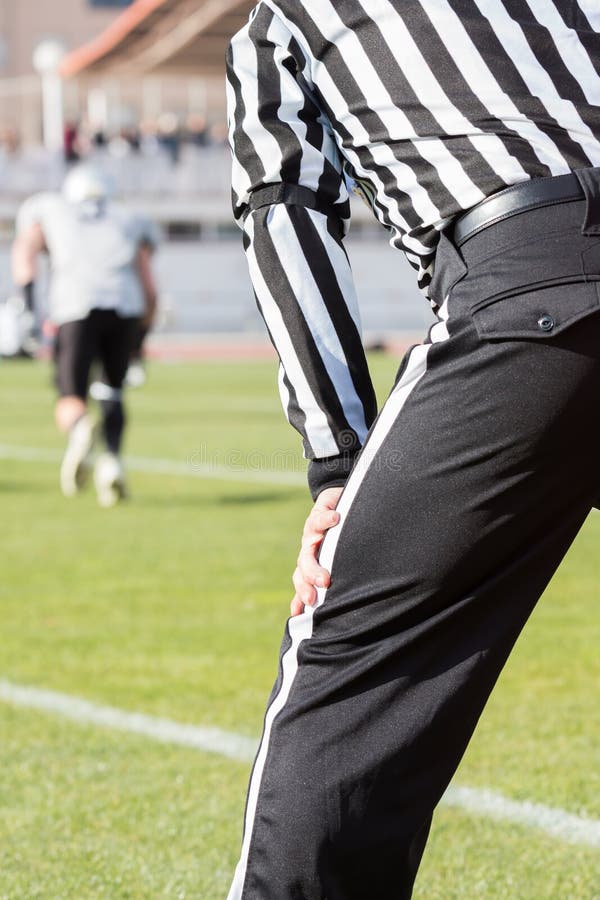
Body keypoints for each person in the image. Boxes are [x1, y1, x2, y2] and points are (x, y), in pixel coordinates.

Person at [225, 2, 600, 898]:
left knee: (351, 677)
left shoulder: (281, 25)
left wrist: (337, 459)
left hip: (533, 289)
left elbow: (286, 213)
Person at [12, 164, 159, 507]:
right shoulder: (129, 217)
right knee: (112, 390)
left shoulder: (48, 207)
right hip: (125, 308)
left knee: (71, 396)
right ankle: (112, 464)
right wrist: (140, 341)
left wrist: (28, 304)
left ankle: (79, 431)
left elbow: (24, 251)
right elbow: (150, 289)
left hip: (75, 307)